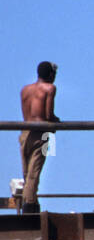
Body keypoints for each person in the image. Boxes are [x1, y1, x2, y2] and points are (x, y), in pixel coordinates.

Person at [18, 62, 58, 214]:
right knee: (34, 174)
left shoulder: (25, 90)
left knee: (27, 173)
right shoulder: (50, 88)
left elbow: (26, 114)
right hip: (42, 133)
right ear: (50, 75)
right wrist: (56, 121)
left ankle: (32, 202)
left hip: (24, 132)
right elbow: (48, 115)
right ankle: (29, 207)